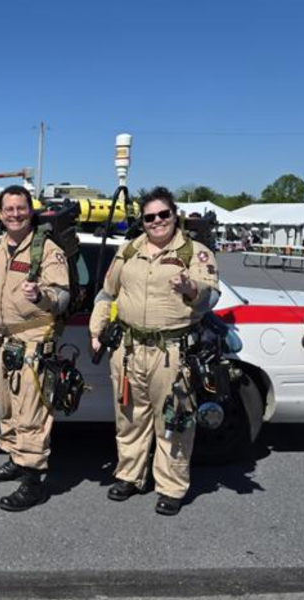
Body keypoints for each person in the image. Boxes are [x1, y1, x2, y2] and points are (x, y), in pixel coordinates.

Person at [89, 187, 219, 516]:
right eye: (150, 217)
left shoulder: (196, 252)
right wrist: (96, 331)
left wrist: (192, 288)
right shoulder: (128, 251)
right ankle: (130, 476)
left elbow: (211, 298)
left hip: (172, 352)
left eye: (163, 214)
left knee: (174, 421)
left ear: (174, 215)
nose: (157, 221)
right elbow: (106, 294)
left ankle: (171, 487)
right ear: (143, 222)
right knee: (130, 418)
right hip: (129, 350)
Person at [0, 185, 71, 511]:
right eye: (9, 209)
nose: (15, 214)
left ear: (31, 210)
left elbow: (62, 298)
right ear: (0, 214)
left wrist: (40, 296)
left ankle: (33, 481)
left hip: (33, 343)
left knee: (32, 413)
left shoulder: (47, 251)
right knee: (10, 408)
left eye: (21, 208)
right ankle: (16, 459)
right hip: (3, 343)